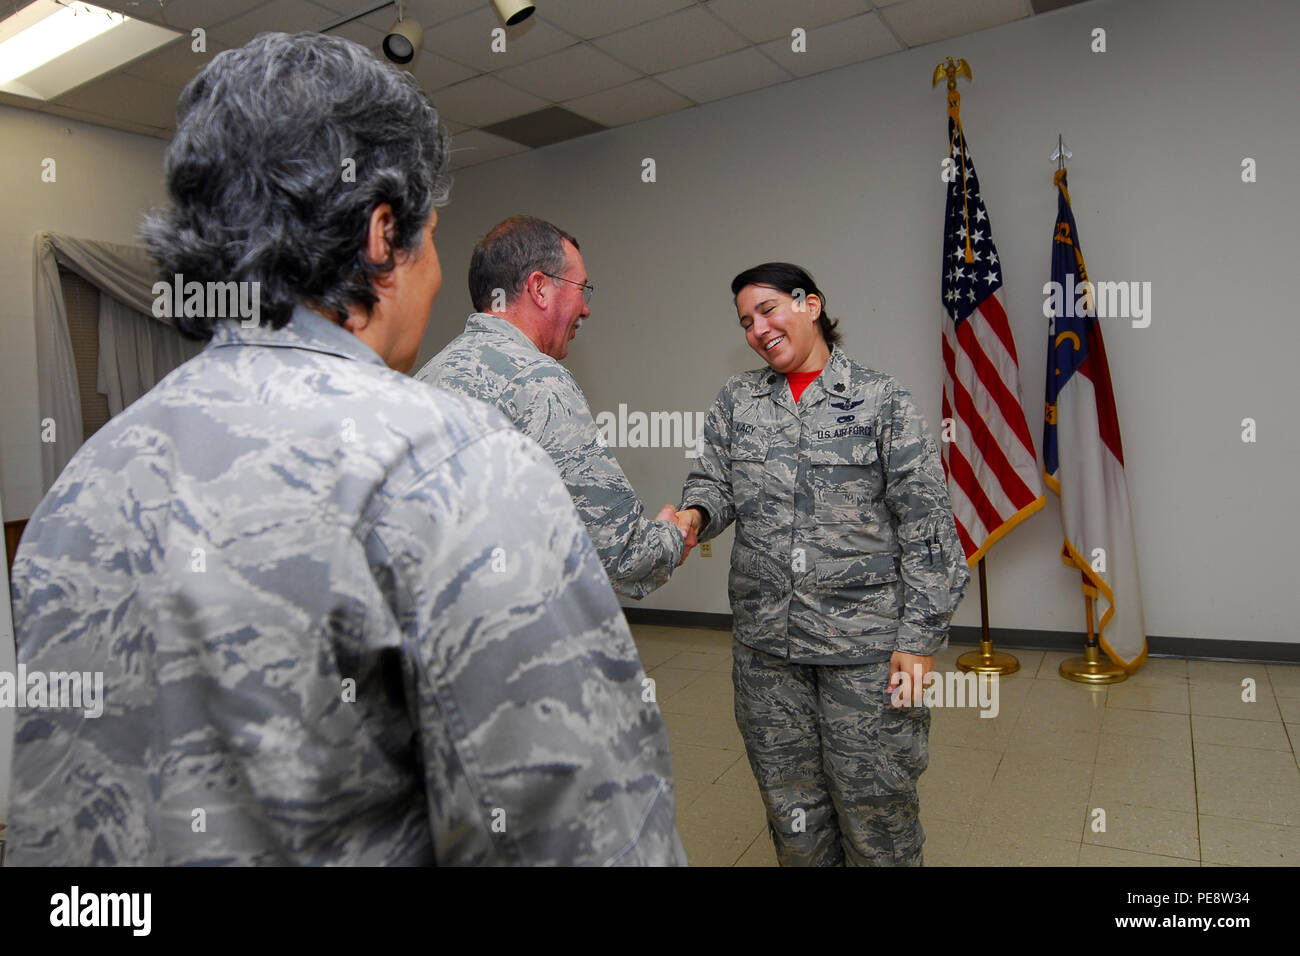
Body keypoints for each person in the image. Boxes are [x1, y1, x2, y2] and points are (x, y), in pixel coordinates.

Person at [7, 32, 685, 867]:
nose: (435, 280)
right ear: (381, 235)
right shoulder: (457, 466)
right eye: (430, 238)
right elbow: (589, 834)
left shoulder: (78, 492)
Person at [677, 262, 969, 866]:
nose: (757, 328)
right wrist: (692, 517)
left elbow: (928, 527)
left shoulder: (880, 399)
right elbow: (714, 484)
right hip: (766, 654)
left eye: (767, 309)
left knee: (876, 818)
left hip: (864, 654)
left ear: (810, 305)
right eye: (745, 321)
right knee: (794, 818)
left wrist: (917, 643)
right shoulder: (738, 400)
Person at [415, 216, 693, 599]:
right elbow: (624, 555)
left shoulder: (429, 375)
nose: (586, 308)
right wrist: (673, 534)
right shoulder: (537, 380)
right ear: (540, 289)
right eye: (582, 289)